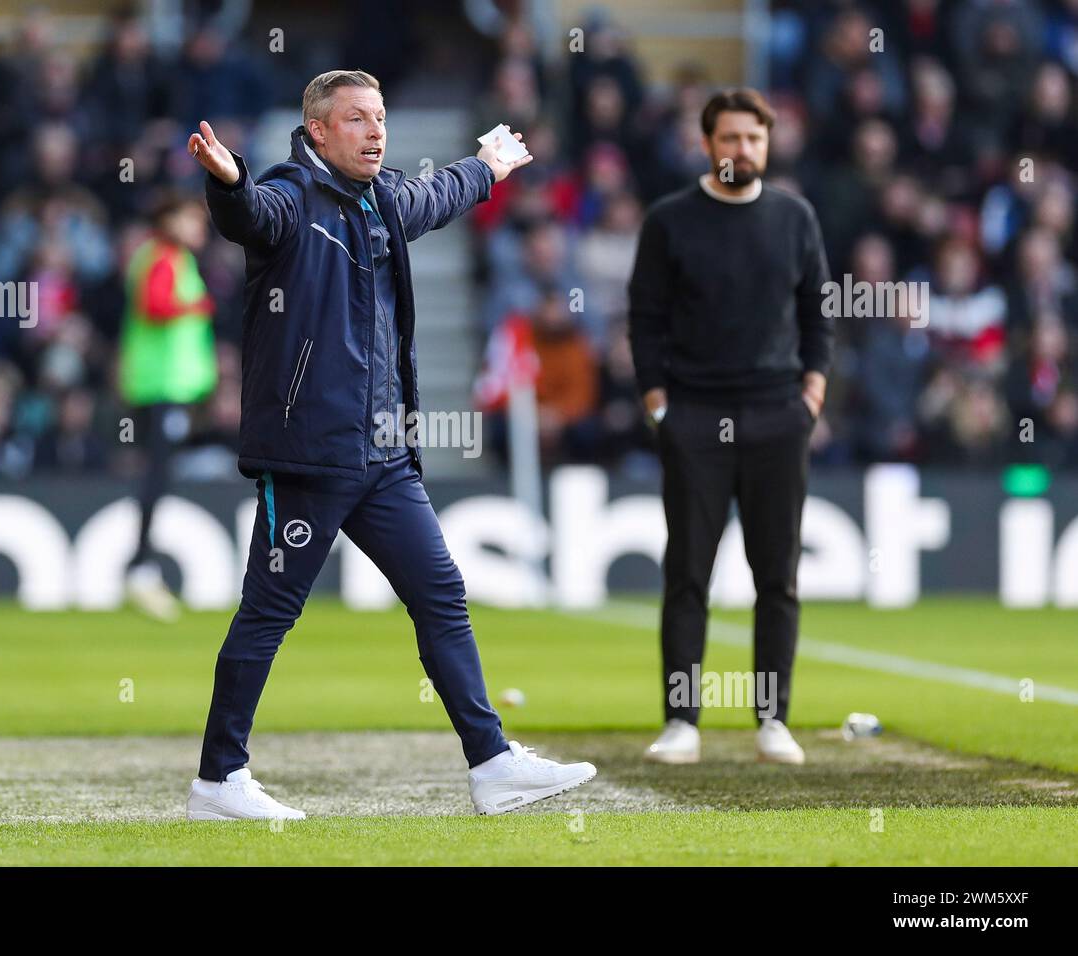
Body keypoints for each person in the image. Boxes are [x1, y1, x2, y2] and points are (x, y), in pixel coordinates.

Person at [185, 69, 595, 819]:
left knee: (441, 594)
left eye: (380, 117)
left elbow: (436, 198)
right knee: (267, 616)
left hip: (383, 454)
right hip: (310, 455)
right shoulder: (291, 197)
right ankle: (218, 780)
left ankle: (492, 763)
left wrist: (488, 167)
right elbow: (250, 214)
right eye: (357, 120)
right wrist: (228, 180)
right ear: (317, 131)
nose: (376, 132)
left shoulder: (380, 199)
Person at [628, 88, 834, 765]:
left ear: (767, 145)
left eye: (753, 139)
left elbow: (817, 314)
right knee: (688, 573)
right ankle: (681, 721)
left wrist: (812, 393)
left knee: (778, 576)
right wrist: (659, 404)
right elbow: (646, 317)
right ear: (707, 143)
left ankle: (773, 719)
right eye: (729, 138)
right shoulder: (670, 220)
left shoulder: (795, 217)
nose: (741, 150)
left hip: (780, 415)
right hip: (694, 414)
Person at [119, 192, 218, 621]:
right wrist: (197, 304)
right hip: (162, 387)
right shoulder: (165, 257)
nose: (199, 228)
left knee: (159, 475)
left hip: (165, 387)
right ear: (171, 220)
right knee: (157, 477)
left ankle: (142, 564)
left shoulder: (159, 256)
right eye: (192, 220)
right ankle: (140, 567)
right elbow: (156, 306)